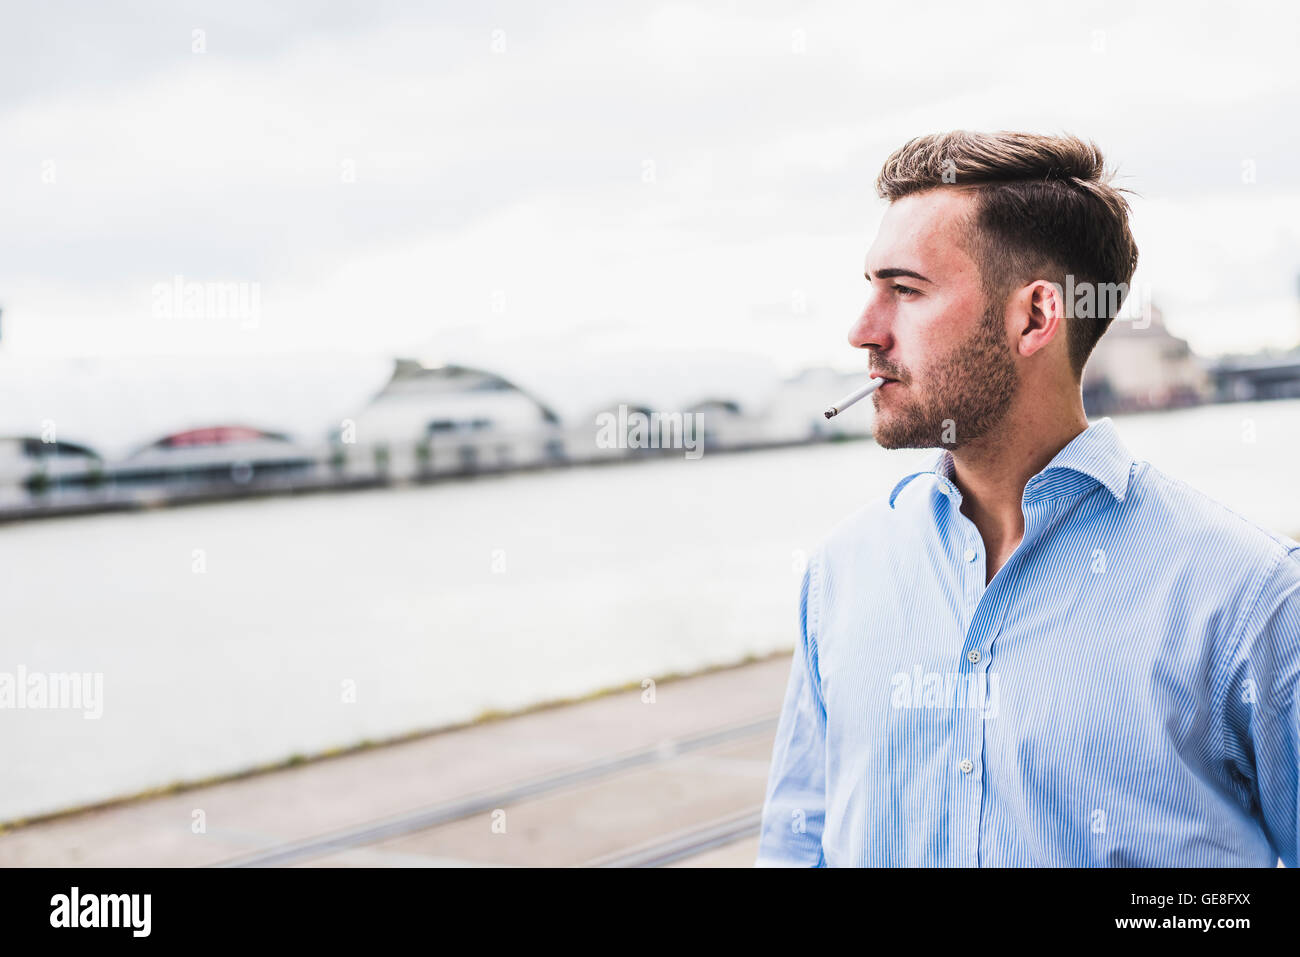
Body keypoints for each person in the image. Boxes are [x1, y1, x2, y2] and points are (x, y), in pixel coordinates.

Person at [755, 130, 1300, 867]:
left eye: (905, 290)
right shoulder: (838, 577)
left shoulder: (1250, 597)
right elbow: (796, 847)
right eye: (870, 287)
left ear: (1036, 316)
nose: (863, 331)